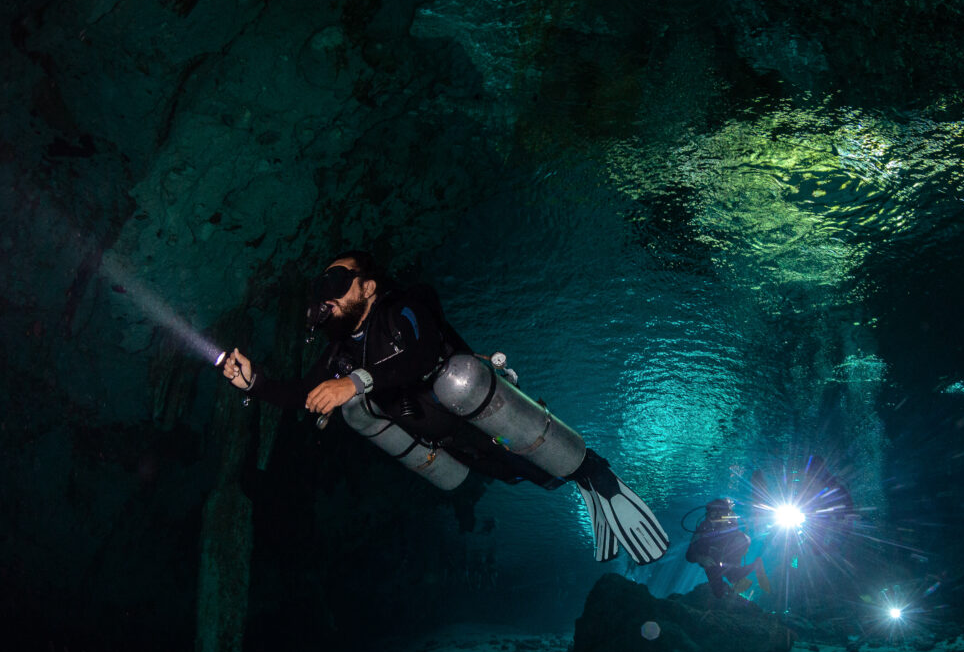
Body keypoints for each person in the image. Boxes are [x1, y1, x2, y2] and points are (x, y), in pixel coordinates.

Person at [221, 251, 669, 565]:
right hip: (452, 443)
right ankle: (580, 486)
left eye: (337, 282)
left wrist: (354, 382)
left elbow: (421, 352)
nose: (327, 294)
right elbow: (304, 393)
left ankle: (599, 475)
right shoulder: (340, 352)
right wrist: (255, 381)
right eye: (321, 287)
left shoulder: (407, 304)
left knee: (530, 447)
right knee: (528, 474)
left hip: (479, 409)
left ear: (368, 285)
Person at [686, 498, 770, 598]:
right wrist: (701, 558)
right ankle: (721, 593)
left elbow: (742, 544)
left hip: (728, 556)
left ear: (727, 515)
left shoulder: (731, 529)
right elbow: (689, 555)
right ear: (708, 514)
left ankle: (756, 565)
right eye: (713, 514)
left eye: (721, 514)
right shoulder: (703, 529)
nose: (717, 517)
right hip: (711, 561)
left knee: (733, 577)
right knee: (718, 590)